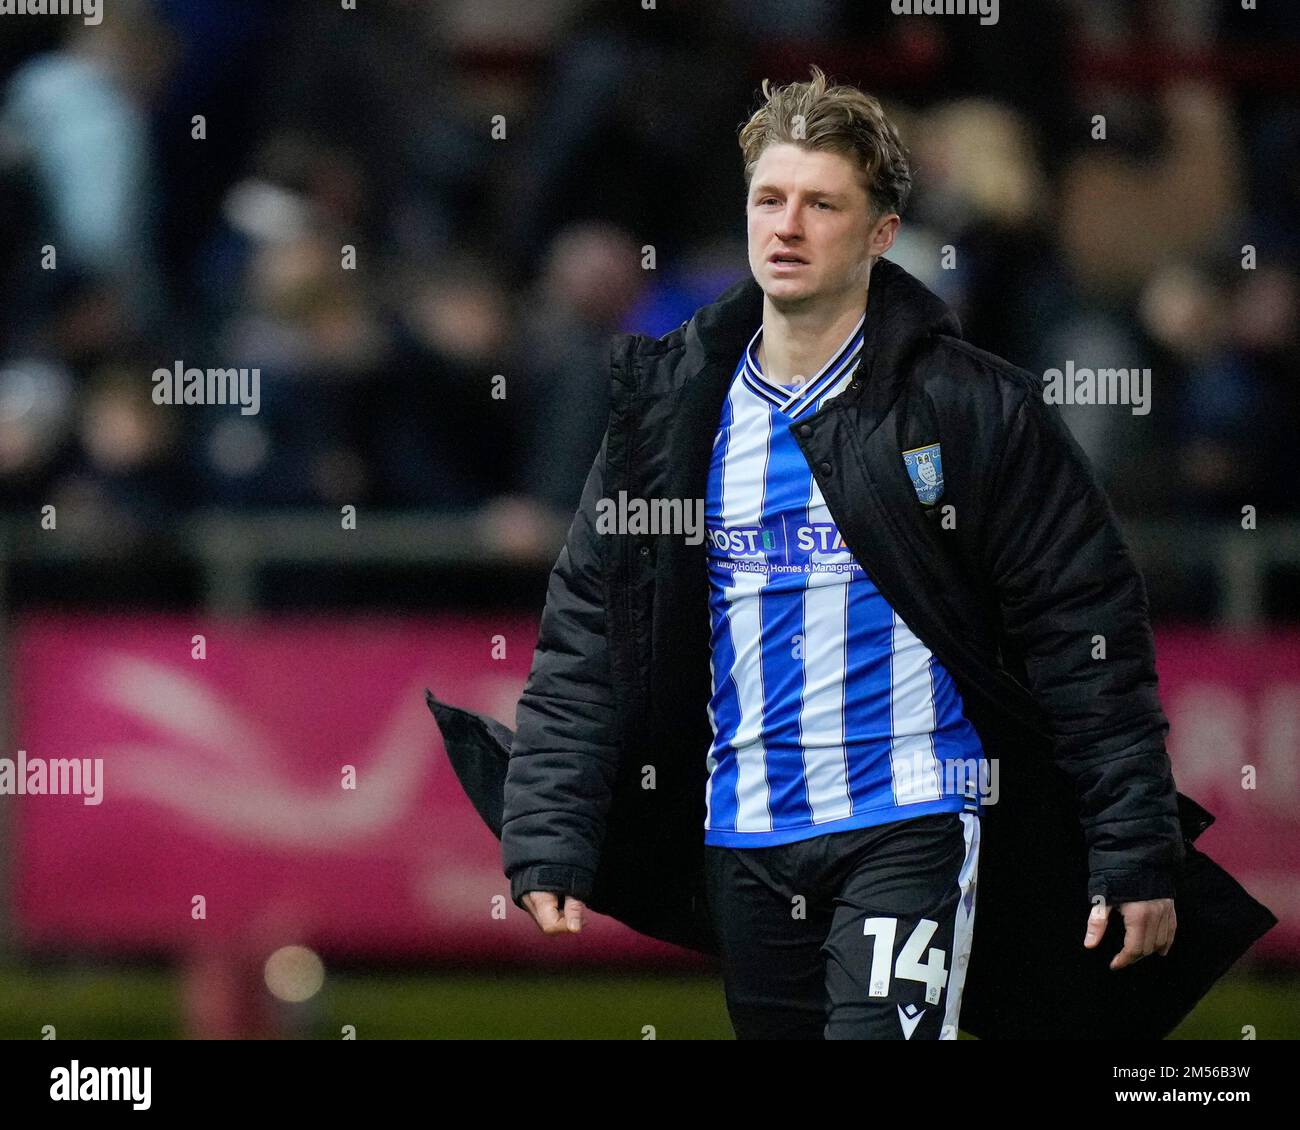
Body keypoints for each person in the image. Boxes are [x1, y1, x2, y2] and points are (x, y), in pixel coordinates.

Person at [426, 66, 1275, 1040]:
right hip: (742, 835)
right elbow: (589, 631)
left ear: (880, 233)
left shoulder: (970, 407)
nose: (786, 225)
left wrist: (1131, 848)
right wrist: (548, 833)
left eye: (820, 203)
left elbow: (1085, 632)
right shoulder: (667, 417)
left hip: (912, 817)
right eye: (769, 199)